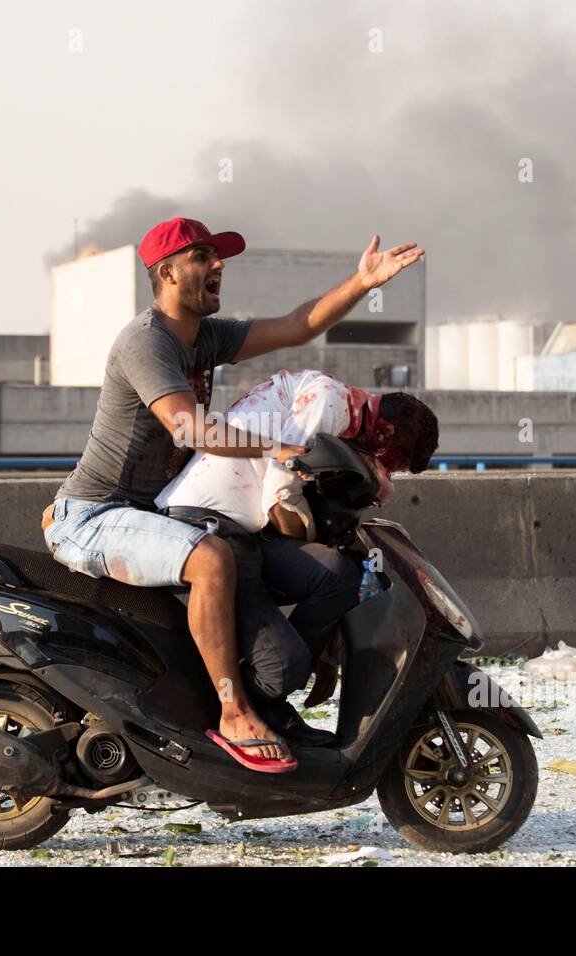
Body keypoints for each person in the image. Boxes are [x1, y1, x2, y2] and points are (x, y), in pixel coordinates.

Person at [43, 216, 424, 773]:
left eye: (218, 257)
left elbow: (296, 326)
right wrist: (280, 448)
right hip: (94, 516)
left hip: (148, 514)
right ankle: (233, 711)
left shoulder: (204, 338)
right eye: (203, 257)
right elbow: (189, 429)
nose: (218, 265)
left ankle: (272, 700)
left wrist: (362, 283)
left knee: (329, 572)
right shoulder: (145, 341)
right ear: (167, 272)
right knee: (213, 559)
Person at [156, 370, 439, 743]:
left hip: (243, 531)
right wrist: (313, 537)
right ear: (384, 433)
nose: (385, 470)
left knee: (336, 574)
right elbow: (279, 497)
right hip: (208, 527)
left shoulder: (342, 412)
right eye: (391, 461)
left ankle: (271, 698)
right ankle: (244, 708)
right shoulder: (328, 402)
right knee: (284, 667)